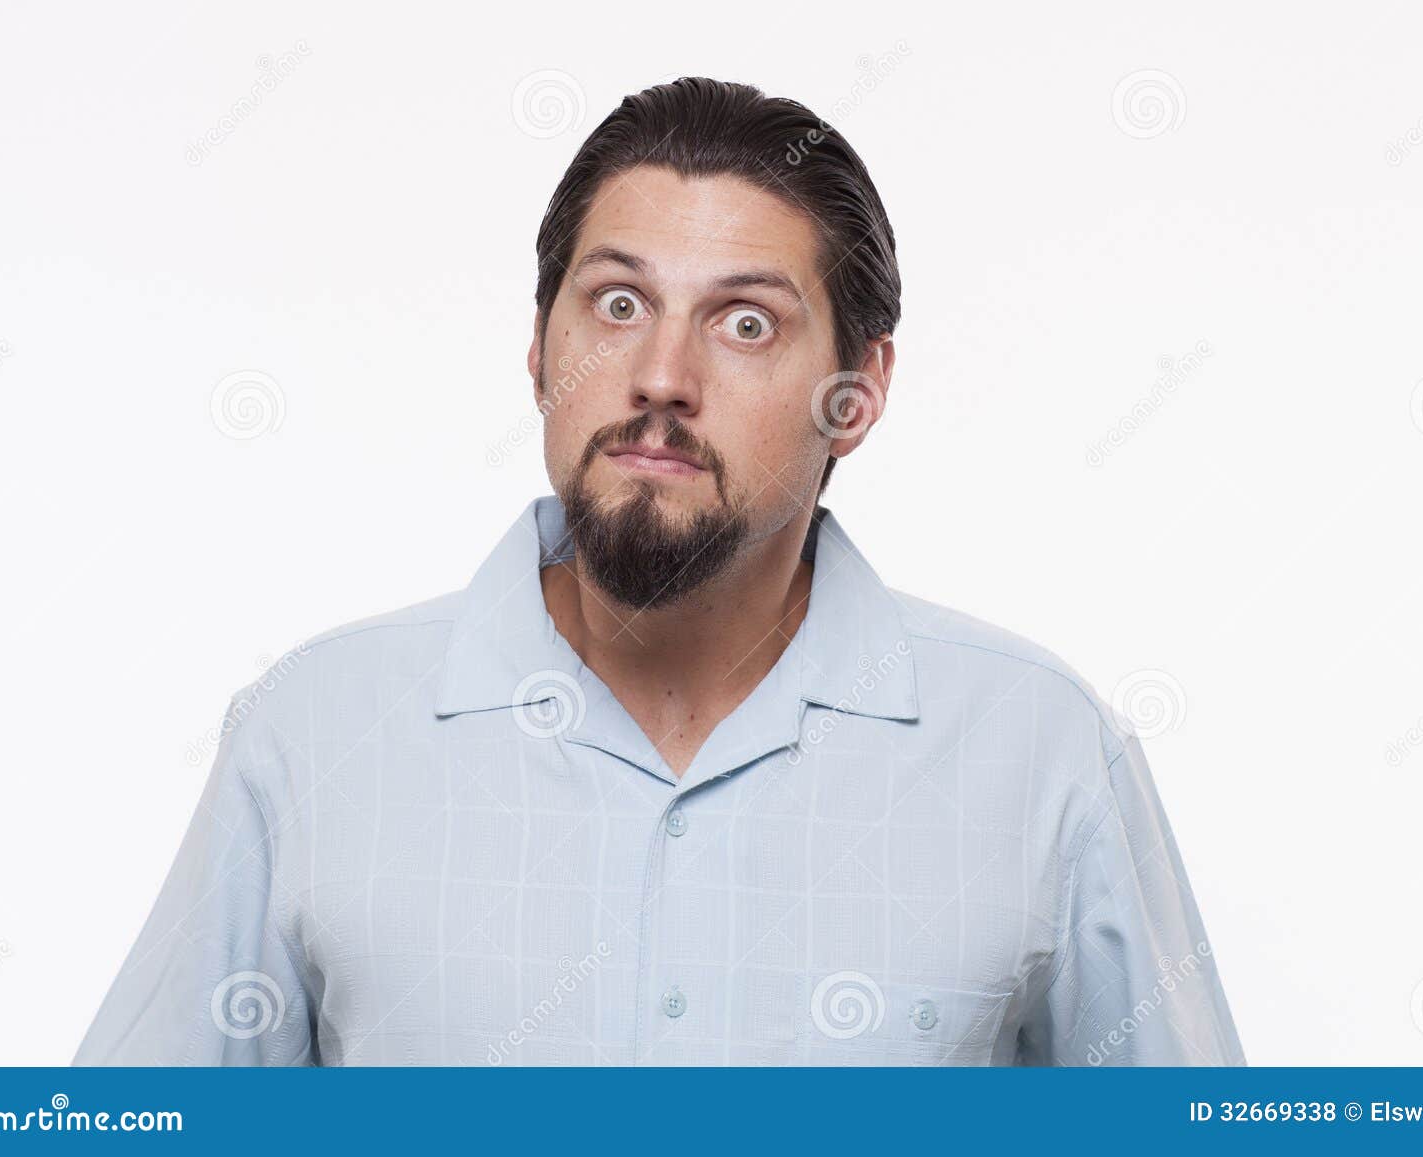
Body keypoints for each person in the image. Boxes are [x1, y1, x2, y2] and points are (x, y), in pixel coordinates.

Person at [75, 77, 1243, 1066]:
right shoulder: (317, 730)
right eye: (617, 304)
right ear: (540, 349)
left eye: (745, 323)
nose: (660, 375)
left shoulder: (1041, 750)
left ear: (860, 389)